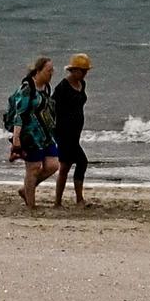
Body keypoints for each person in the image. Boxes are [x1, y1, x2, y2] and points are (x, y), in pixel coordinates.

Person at [4, 55, 61, 210]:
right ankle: (31, 204)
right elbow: (19, 115)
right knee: (33, 168)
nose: (51, 74)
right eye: (48, 71)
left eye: (52, 71)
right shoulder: (27, 88)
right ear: (38, 71)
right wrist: (16, 140)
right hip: (30, 135)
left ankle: (26, 189)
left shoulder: (46, 88)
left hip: (45, 135)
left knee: (53, 165)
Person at [51, 54, 91, 208]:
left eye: (86, 71)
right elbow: (52, 107)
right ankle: (77, 200)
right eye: (82, 70)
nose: (85, 73)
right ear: (73, 70)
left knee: (66, 165)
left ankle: (60, 202)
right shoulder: (62, 87)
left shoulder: (82, 84)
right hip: (63, 132)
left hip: (75, 133)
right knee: (79, 162)